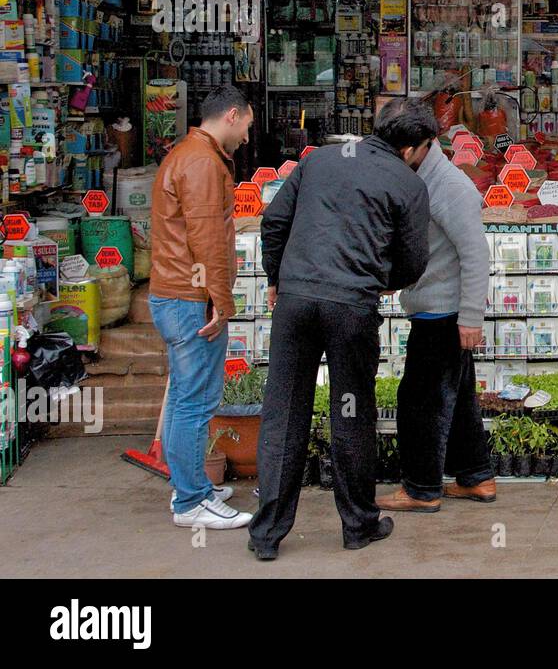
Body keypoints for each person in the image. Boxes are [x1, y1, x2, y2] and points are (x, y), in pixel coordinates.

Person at [248, 100, 435, 560]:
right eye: (428, 148)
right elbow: (413, 263)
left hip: (295, 303)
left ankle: (267, 535)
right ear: (410, 148)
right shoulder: (408, 185)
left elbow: (273, 222)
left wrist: (278, 278)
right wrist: (377, 281)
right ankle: (358, 524)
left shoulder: (319, 160)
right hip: (351, 307)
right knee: (351, 412)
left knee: (284, 412)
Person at [149, 86, 255, 530]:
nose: (248, 137)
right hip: (192, 299)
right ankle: (192, 501)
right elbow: (208, 239)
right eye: (248, 125)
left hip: (176, 294)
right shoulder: (203, 163)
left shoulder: (188, 154)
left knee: (183, 398)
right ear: (232, 115)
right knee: (196, 402)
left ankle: (189, 487)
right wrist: (221, 303)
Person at [378, 115, 494, 513]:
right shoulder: (424, 179)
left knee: (419, 402)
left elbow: (476, 253)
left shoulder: (449, 186)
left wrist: (471, 317)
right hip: (437, 307)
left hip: (444, 314)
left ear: (412, 149)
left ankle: (421, 489)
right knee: (459, 401)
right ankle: (476, 477)